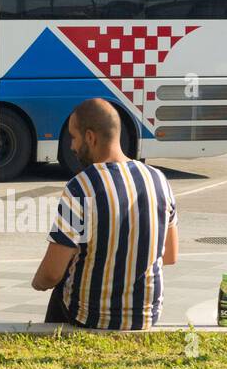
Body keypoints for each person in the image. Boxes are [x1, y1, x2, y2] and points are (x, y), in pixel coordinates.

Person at [31, 98, 179, 329]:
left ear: (90, 137)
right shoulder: (159, 180)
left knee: (61, 285)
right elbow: (169, 255)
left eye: (74, 137)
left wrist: (37, 282)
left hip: (89, 317)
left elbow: (51, 273)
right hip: (145, 318)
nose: (72, 146)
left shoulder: (81, 187)